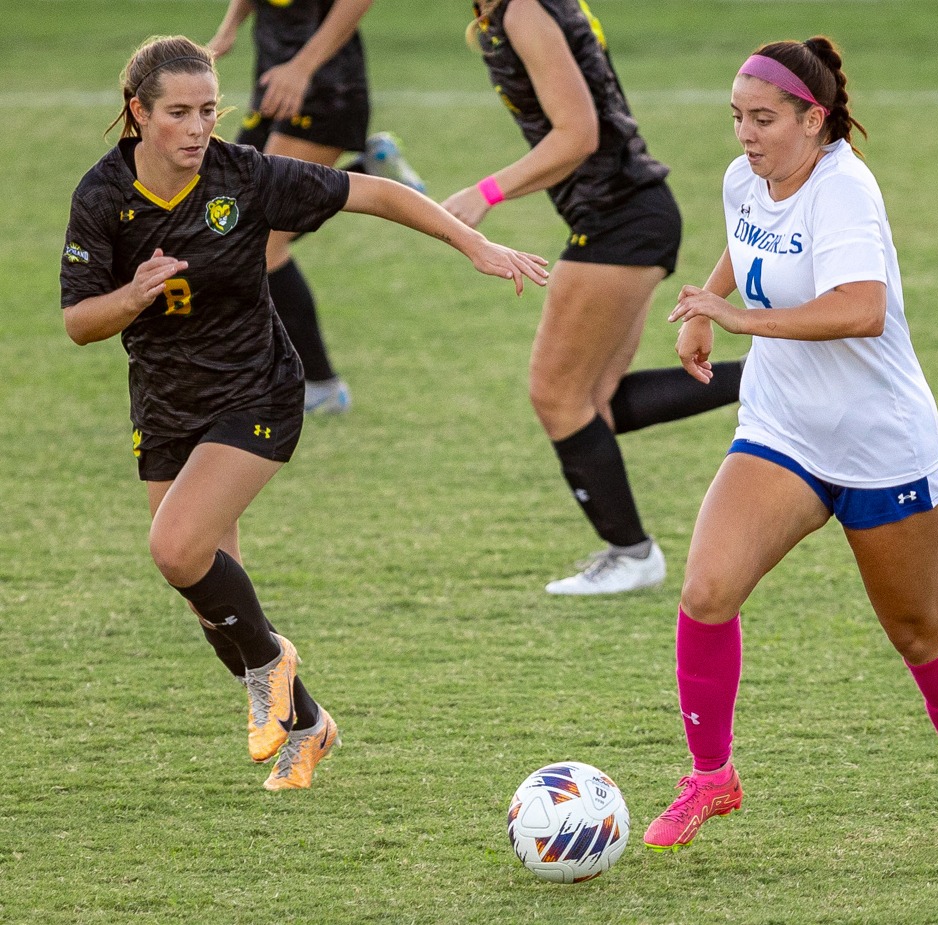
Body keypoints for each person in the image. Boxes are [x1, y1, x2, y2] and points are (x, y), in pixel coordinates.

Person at [60, 36, 548, 790]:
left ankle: (272, 665)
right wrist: (132, 295)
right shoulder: (101, 197)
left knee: (177, 551)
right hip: (165, 406)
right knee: (212, 600)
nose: (198, 127)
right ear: (138, 113)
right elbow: (79, 322)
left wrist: (471, 243)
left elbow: (375, 193)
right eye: (179, 113)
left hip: (255, 392)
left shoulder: (244, 176)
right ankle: (310, 724)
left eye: (209, 110)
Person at [642, 38, 938, 852]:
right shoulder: (746, 177)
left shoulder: (845, 189)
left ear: (813, 120)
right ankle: (711, 776)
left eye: (763, 119)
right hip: (782, 429)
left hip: (881, 445)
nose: (746, 134)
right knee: (706, 590)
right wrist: (706, 303)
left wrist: (741, 318)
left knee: (917, 632)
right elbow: (749, 235)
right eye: (737, 117)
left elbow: (861, 309)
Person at [446, 0, 745, 595]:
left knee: (556, 395)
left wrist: (486, 192)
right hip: (627, 212)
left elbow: (578, 134)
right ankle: (775, 373)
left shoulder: (522, 11)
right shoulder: (508, 13)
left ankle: (633, 555)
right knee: (591, 404)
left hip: (619, 216)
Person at [207, 0, 428, 415]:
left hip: (324, 87)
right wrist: (230, 26)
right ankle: (366, 171)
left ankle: (321, 383)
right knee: (229, 226)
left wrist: (303, 66)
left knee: (261, 241)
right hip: (274, 80)